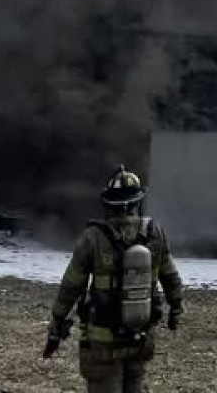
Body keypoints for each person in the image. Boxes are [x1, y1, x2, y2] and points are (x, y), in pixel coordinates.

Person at [44, 166, 184, 393]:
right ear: (137, 202)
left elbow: (71, 285)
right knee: (134, 385)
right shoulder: (154, 233)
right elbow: (170, 276)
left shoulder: (93, 238)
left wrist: (57, 323)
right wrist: (176, 308)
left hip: (103, 342)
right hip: (141, 337)